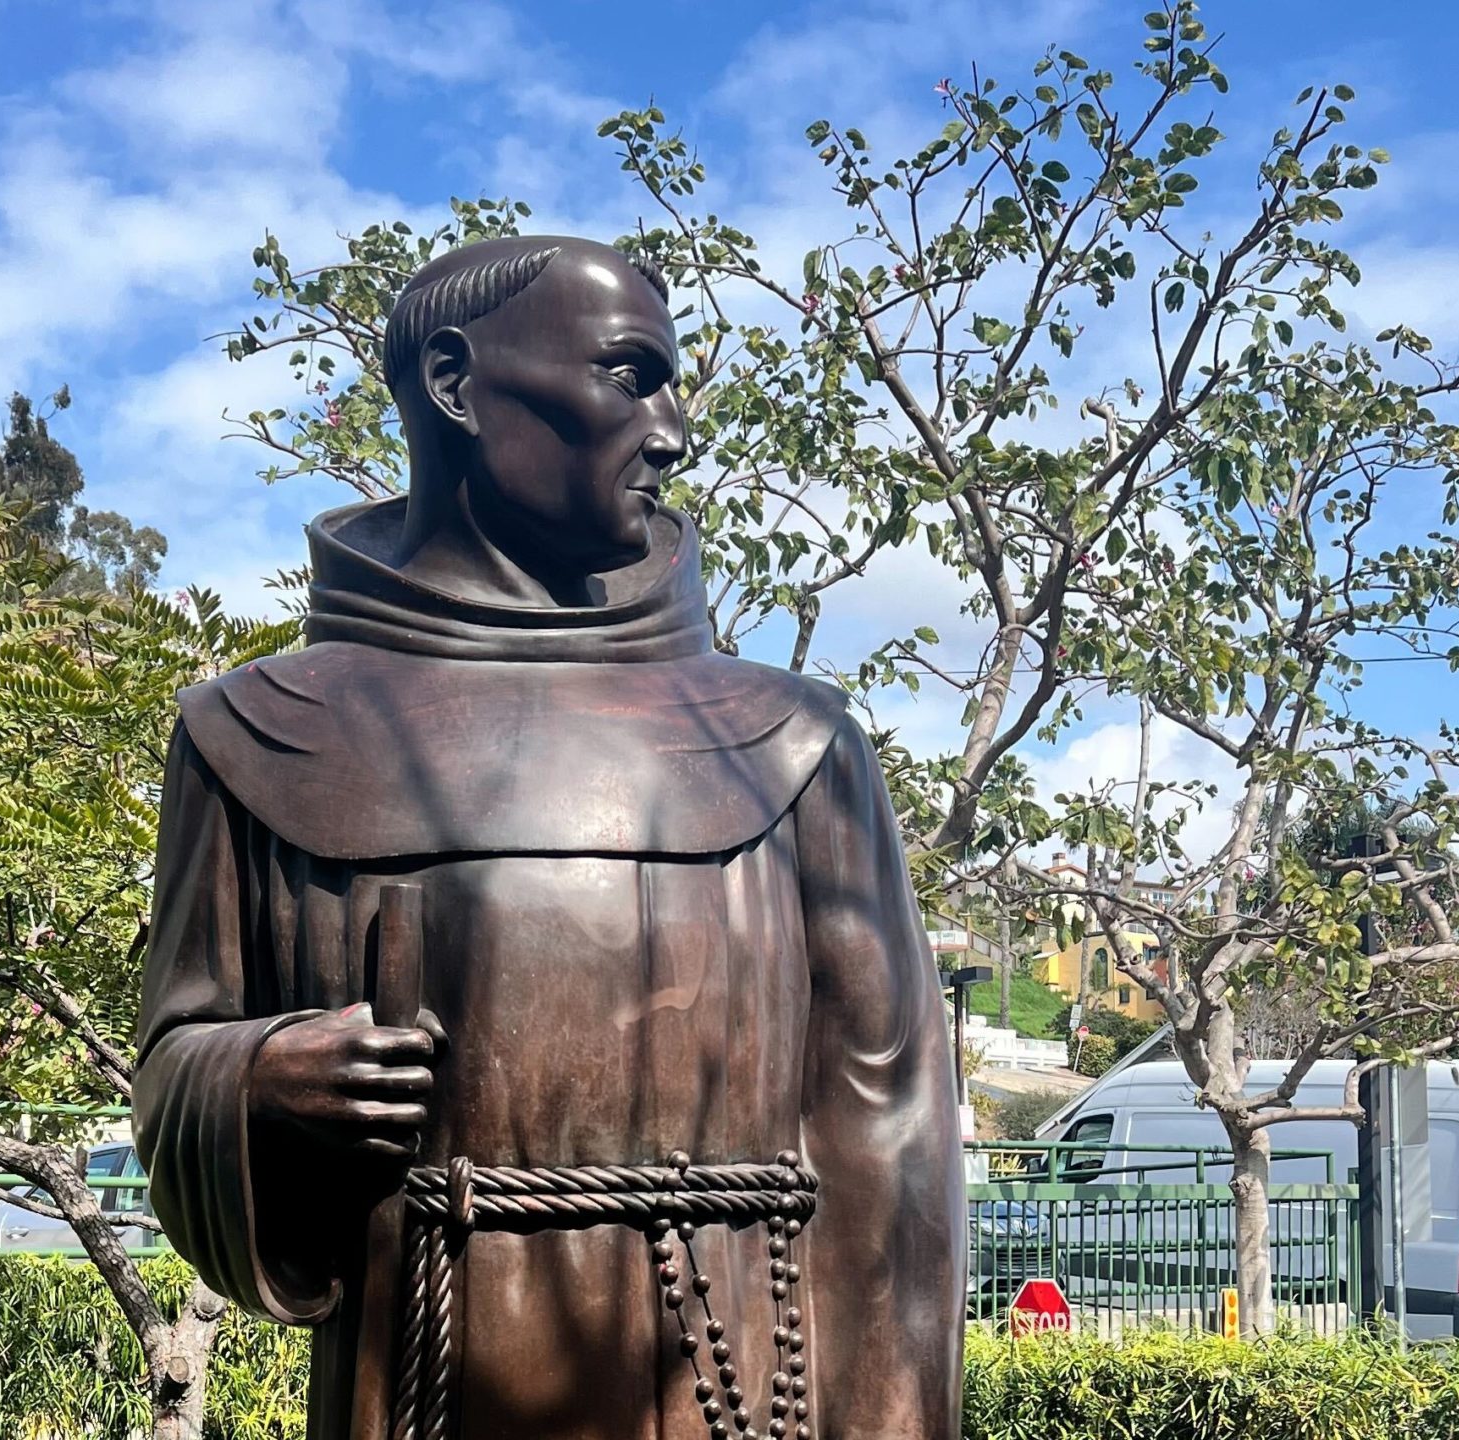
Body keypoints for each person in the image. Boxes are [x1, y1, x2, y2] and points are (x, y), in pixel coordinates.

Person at [134, 235, 963, 1439]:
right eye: (630, 375)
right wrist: (256, 1080)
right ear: (455, 384)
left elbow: (891, 1145)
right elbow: (172, 1062)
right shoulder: (255, 731)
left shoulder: (791, 743)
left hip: (732, 1393)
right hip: (422, 1385)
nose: (674, 435)